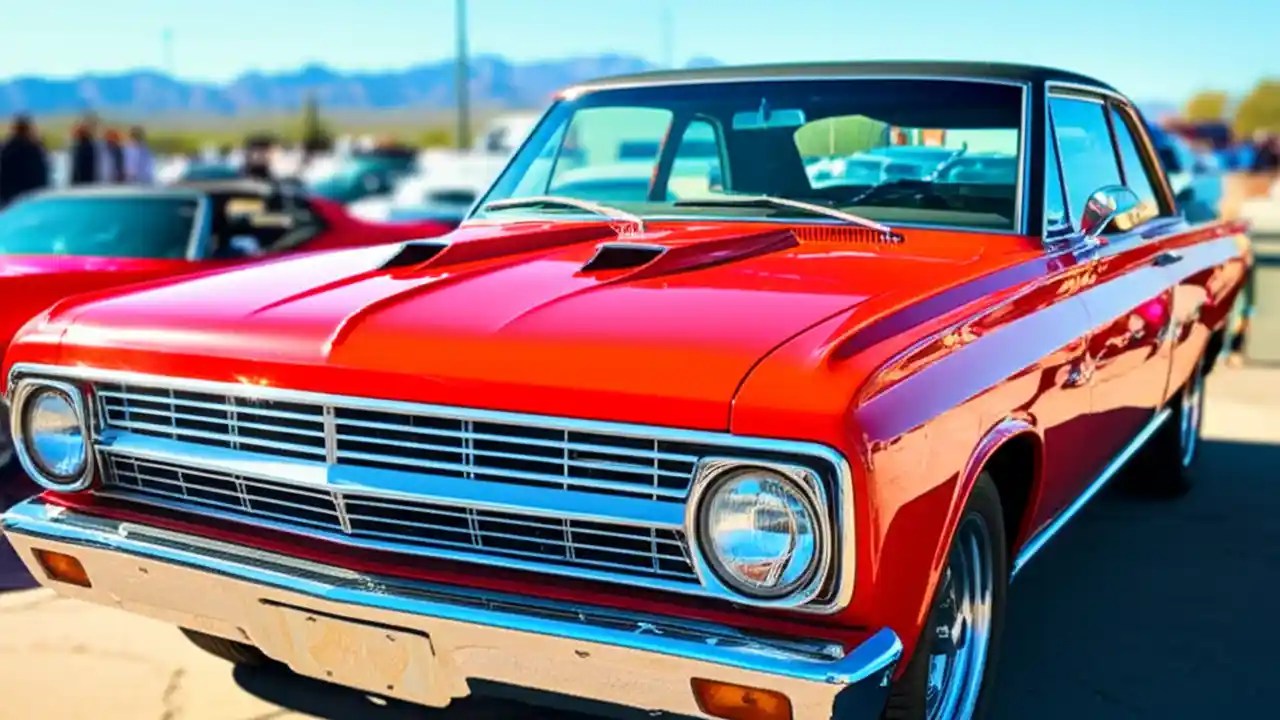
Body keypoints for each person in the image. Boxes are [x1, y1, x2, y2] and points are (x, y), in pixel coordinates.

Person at [0, 114, 50, 207]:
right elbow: (42, 176)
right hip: (32, 198)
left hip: (9, 199)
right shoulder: (35, 149)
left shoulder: (5, 149)